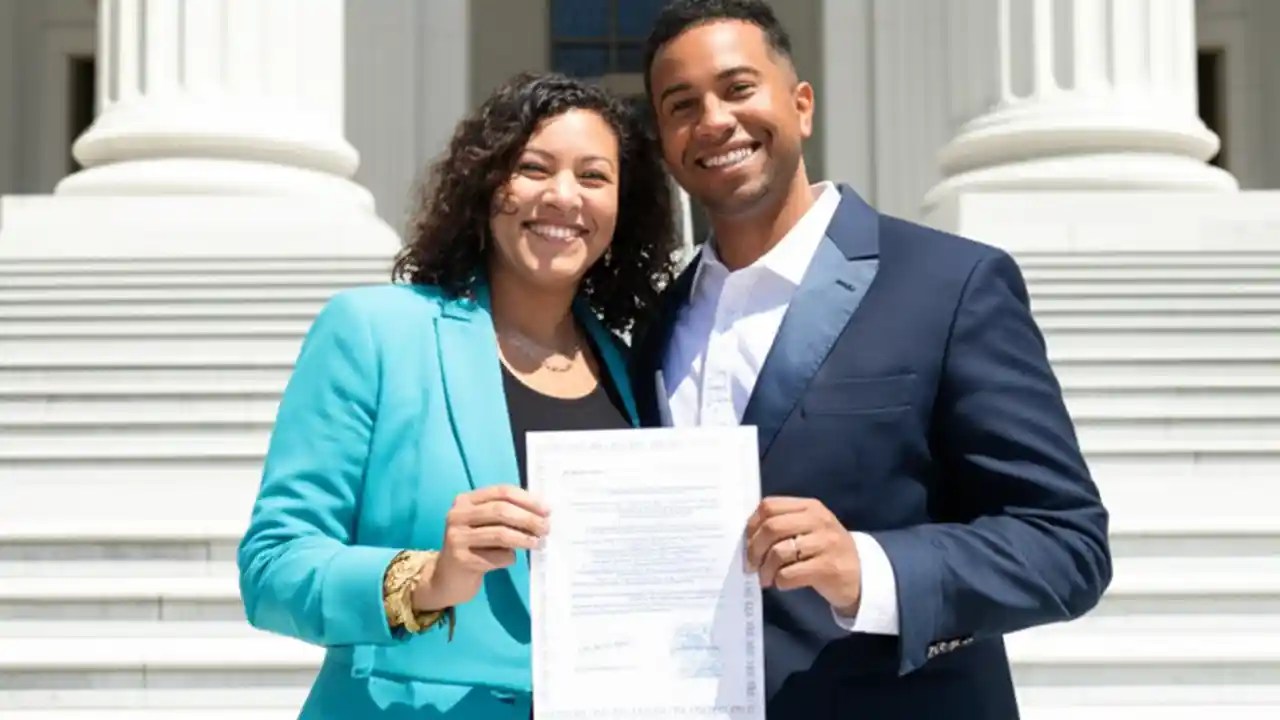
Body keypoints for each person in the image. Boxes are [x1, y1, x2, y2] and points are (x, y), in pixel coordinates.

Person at [630, 1, 1113, 717]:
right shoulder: (653, 326)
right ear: (665, 143)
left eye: (738, 88)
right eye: (682, 105)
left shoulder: (951, 285)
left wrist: (870, 568)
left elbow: (1066, 546)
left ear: (801, 106)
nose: (713, 121)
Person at [237, 72, 680, 719]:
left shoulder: (636, 370)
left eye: (593, 176)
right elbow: (273, 567)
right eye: (534, 167)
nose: (563, 196)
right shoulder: (375, 332)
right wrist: (428, 578)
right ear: (487, 182)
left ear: (623, 205)